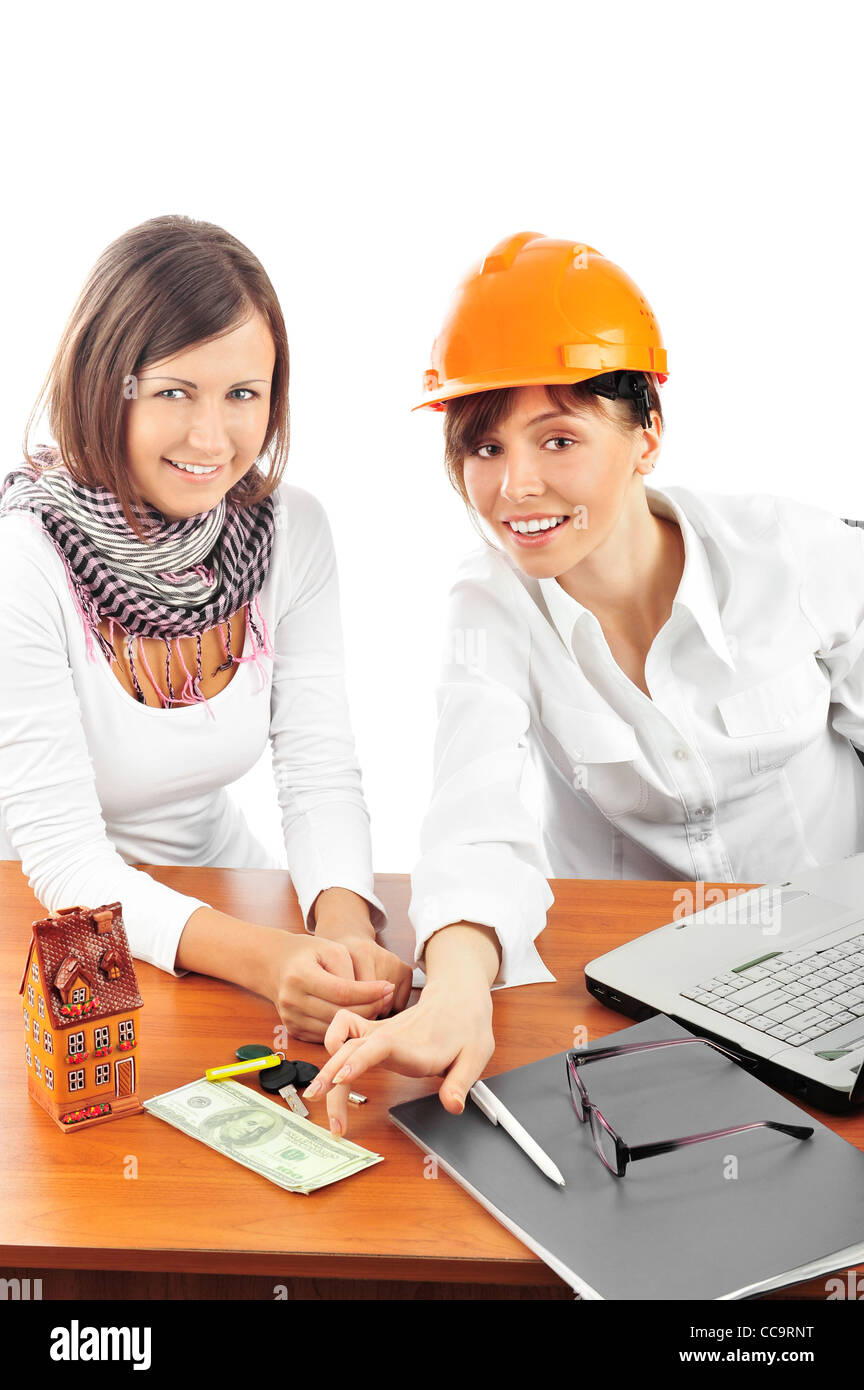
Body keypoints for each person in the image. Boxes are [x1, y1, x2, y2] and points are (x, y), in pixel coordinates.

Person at [306, 230, 864, 1137]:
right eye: (483, 448)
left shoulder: (797, 556)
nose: (514, 488)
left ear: (645, 437)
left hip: (841, 960)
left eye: (558, 438)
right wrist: (452, 994)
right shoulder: (490, 605)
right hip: (649, 1006)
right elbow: (470, 819)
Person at [0, 214, 413, 1056]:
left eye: (242, 395)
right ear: (100, 386)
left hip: (221, 890)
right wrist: (269, 963)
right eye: (173, 392)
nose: (210, 438)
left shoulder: (291, 530)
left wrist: (342, 931)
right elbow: (65, 860)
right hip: (47, 919)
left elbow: (318, 765)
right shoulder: (24, 563)